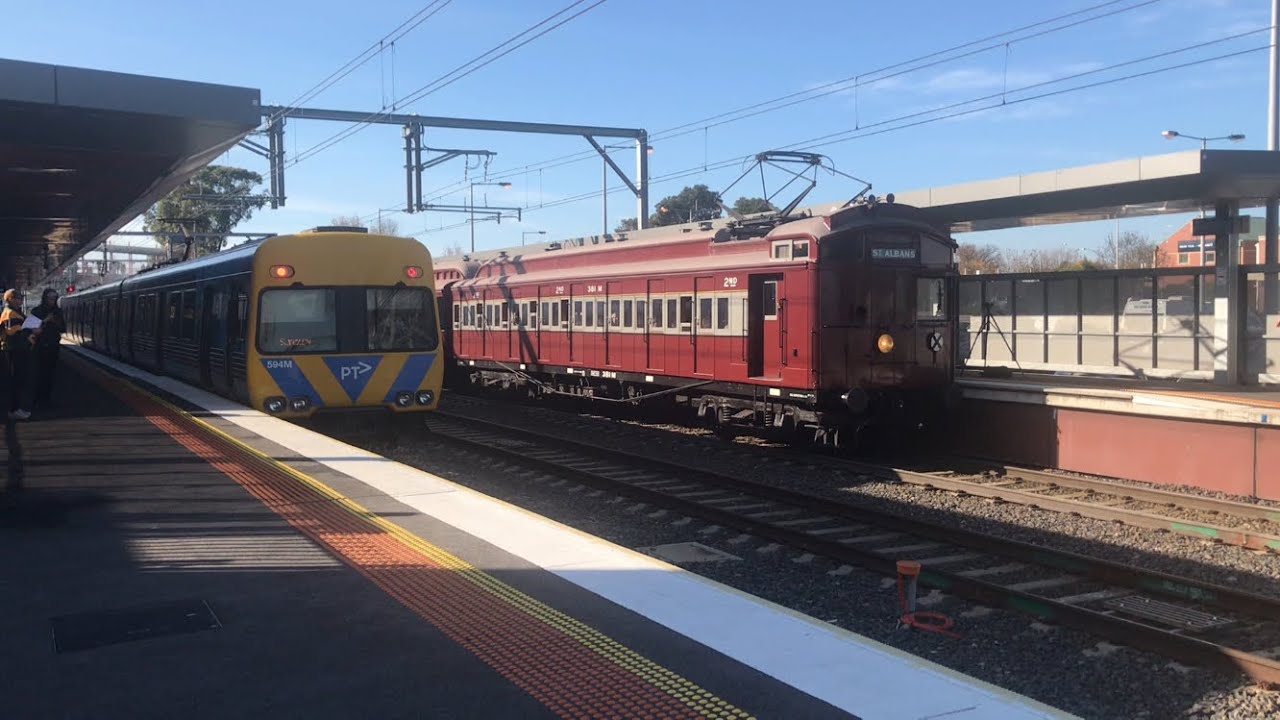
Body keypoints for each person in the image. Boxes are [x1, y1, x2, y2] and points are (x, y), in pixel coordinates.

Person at [1, 289, 38, 420]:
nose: (19, 300)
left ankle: (17, 408)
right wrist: (29, 330)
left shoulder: (15, 313)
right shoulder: (10, 314)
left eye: (20, 298)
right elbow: (12, 333)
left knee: (19, 379)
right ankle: (15, 409)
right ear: (8, 299)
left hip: (18, 350)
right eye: (15, 298)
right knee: (17, 379)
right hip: (14, 350)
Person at [30, 288, 64, 407]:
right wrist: (45, 321)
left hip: (53, 347)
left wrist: (55, 322)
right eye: (50, 298)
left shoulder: (58, 312)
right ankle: (37, 399)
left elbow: (63, 329)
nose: (52, 301)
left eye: (54, 298)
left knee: (50, 374)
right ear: (45, 298)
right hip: (39, 347)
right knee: (39, 373)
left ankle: (46, 399)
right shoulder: (36, 311)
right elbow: (31, 329)